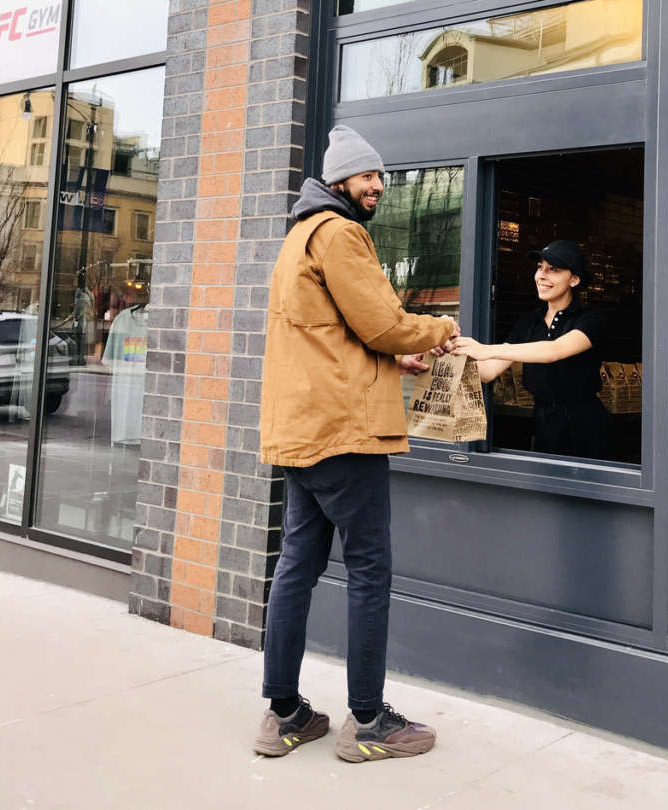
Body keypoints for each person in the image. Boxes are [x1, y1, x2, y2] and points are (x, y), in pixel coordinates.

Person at [256, 125, 458, 762]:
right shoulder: (341, 233)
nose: (377, 186)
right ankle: (368, 722)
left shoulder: (298, 238)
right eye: (367, 176)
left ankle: (284, 715)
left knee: (296, 567)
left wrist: (391, 364)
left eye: (380, 176)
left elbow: (332, 335)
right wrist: (442, 327)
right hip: (344, 433)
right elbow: (384, 322)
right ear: (340, 178)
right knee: (370, 570)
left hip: (300, 428)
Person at [453, 240, 610, 459]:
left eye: (553, 269)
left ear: (574, 279)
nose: (542, 275)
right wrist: (449, 351)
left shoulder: (591, 320)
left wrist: (486, 349)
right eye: (540, 267)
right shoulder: (528, 323)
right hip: (544, 423)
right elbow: (488, 372)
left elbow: (553, 351)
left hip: (585, 424)